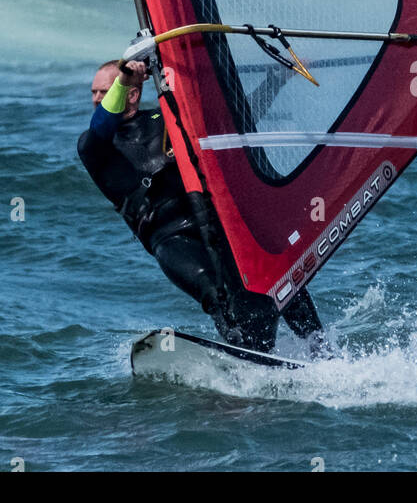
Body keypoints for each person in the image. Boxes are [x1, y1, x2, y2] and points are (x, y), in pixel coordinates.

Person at [77, 57, 328, 354]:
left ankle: (321, 350)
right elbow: (101, 124)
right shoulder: (94, 146)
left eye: (102, 92)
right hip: (171, 237)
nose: (95, 99)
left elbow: (235, 124)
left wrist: (274, 81)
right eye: (94, 92)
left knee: (278, 279)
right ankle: (242, 356)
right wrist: (123, 80)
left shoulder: (169, 121)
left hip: (215, 221)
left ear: (134, 95)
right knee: (216, 294)